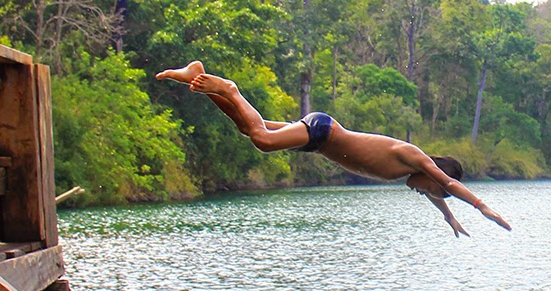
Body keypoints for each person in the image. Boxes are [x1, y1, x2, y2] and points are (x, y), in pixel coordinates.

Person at [157, 61, 512, 237]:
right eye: (428, 190)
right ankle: (230, 88)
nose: (423, 192)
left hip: (317, 141)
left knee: (250, 128)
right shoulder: (414, 157)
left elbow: (439, 190)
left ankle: (200, 79)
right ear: (433, 175)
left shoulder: (414, 170)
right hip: (322, 130)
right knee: (263, 140)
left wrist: (448, 217)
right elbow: (446, 184)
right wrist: (481, 206)